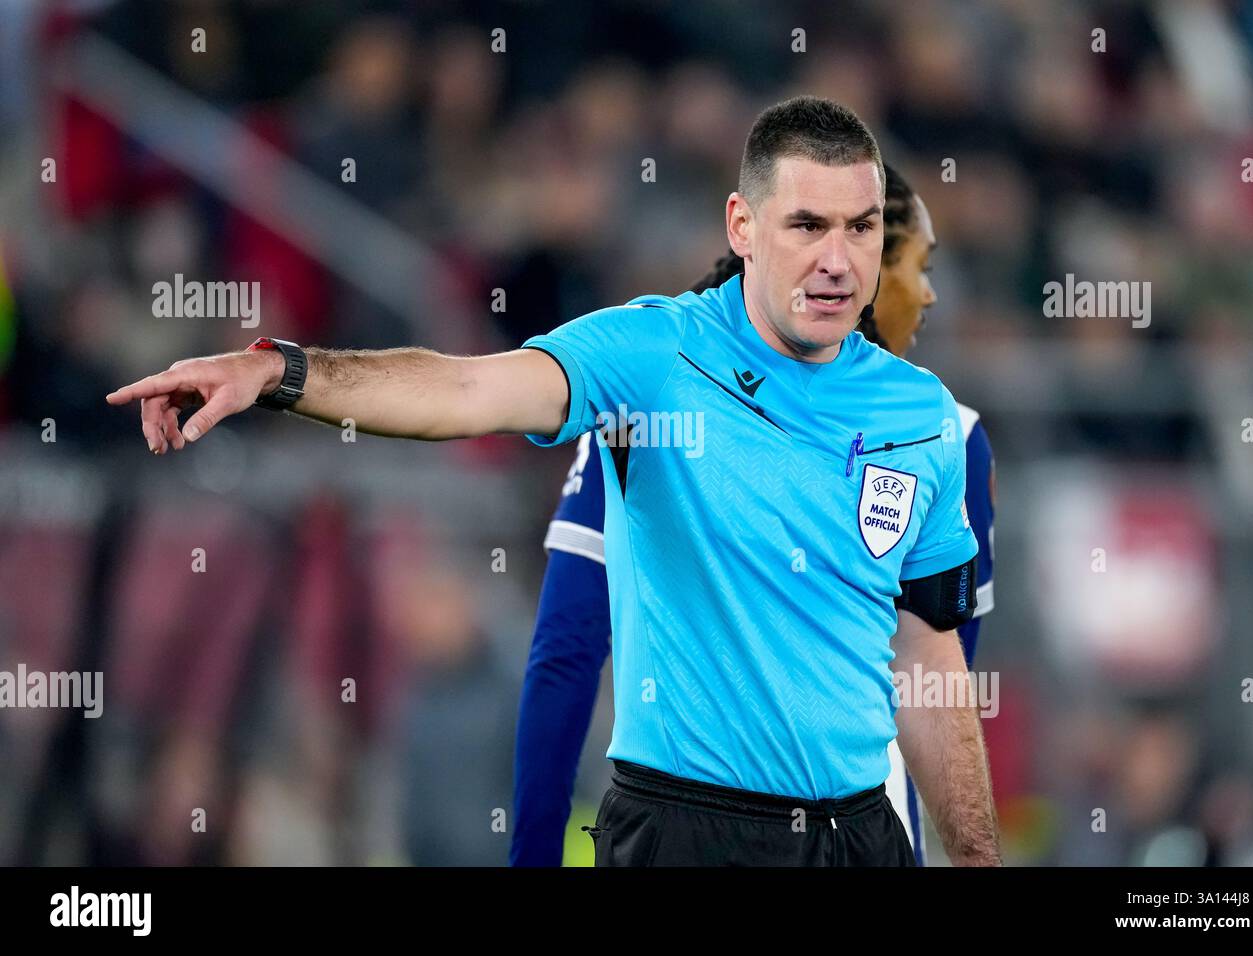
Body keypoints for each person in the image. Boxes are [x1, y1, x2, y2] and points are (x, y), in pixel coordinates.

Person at [107, 96, 1001, 866]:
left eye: (862, 227)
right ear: (743, 226)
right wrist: (280, 372)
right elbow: (464, 387)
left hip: (859, 839)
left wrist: (976, 855)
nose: (840, 260)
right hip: (687, 832)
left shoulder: (918, 414)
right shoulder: (653, 354)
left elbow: (930, 661)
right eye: (808, 225)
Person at [510, 164, 996, 867]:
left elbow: (566, 645)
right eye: (917, 264)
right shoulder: (646, 392)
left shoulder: (943, 432)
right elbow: (938, 693)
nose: (928, 294)